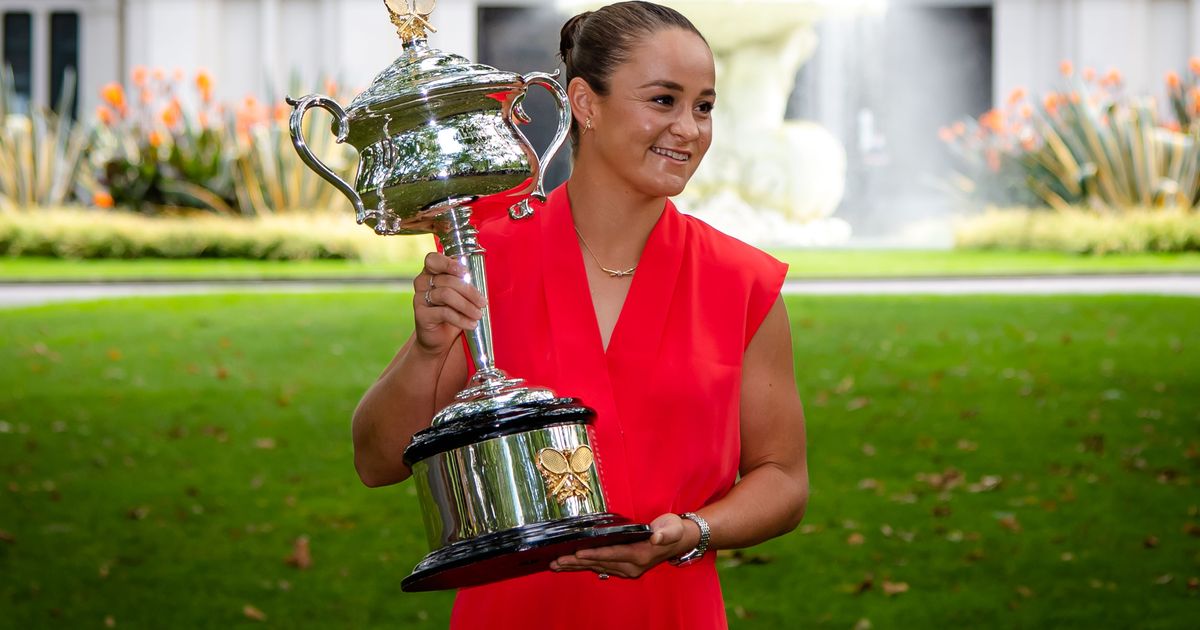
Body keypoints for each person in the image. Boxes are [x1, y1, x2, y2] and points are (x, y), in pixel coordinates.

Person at [351, 2, 809, 628]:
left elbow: (783, 477)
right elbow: (376, 461)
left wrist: (698, 529)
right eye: (662, 100)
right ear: (584, 104)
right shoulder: (486, 258)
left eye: (703, 106)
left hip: (671, 612)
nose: (689, 128)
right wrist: (430, 350)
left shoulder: (743, 282)